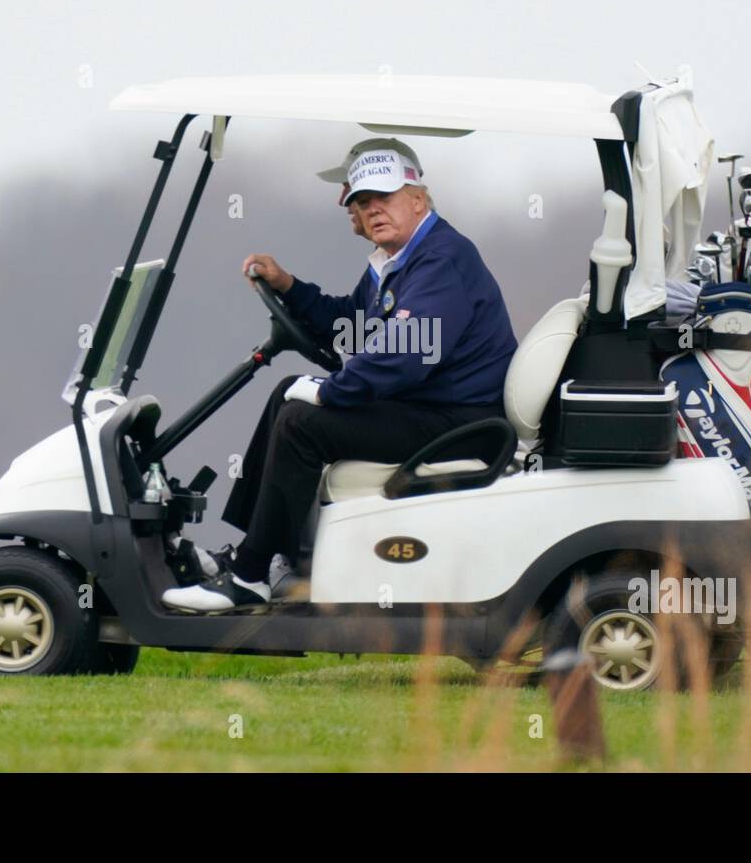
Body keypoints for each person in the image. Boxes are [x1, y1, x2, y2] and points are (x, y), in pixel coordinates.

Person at [162, 143, 518, 611]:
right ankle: (264, 558)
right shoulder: (396, 261)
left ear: (418, 199)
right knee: (284, 400)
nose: (372, 210)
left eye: (384, 198)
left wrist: (330, 391)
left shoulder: (441, 260)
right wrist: (288, 287)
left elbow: (405, 355)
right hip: (430, 410)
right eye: (362, 202)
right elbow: (354, 324)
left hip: (463, 426)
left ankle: (250, 576)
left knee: (301, 423)